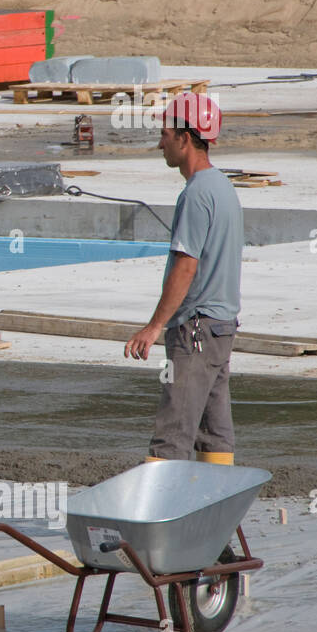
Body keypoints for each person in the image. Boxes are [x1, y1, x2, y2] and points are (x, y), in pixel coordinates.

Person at [124, 92, 242, 465]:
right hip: (221, 328)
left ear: (185, 138)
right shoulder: (223, 187)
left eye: (165, 133)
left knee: (172, 437)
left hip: (195, 331)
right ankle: (216, 518)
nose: (160, 142)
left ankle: (155, 521)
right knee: (214, 435)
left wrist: (154, 326)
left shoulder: (195, 195)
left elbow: (186, 266)